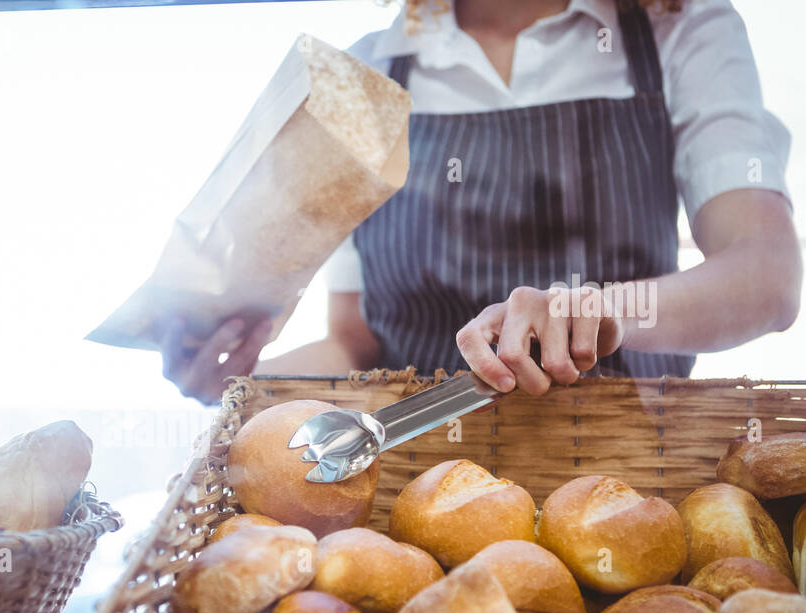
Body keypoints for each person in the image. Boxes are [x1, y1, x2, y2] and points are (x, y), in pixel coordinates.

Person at [162, 0, 800, 404]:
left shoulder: (679, 33)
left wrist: (607, 309)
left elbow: (767, 275)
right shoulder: (365, 78)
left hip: (629, 482)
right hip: (416, 490)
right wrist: (248, 385)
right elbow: (356, 346)